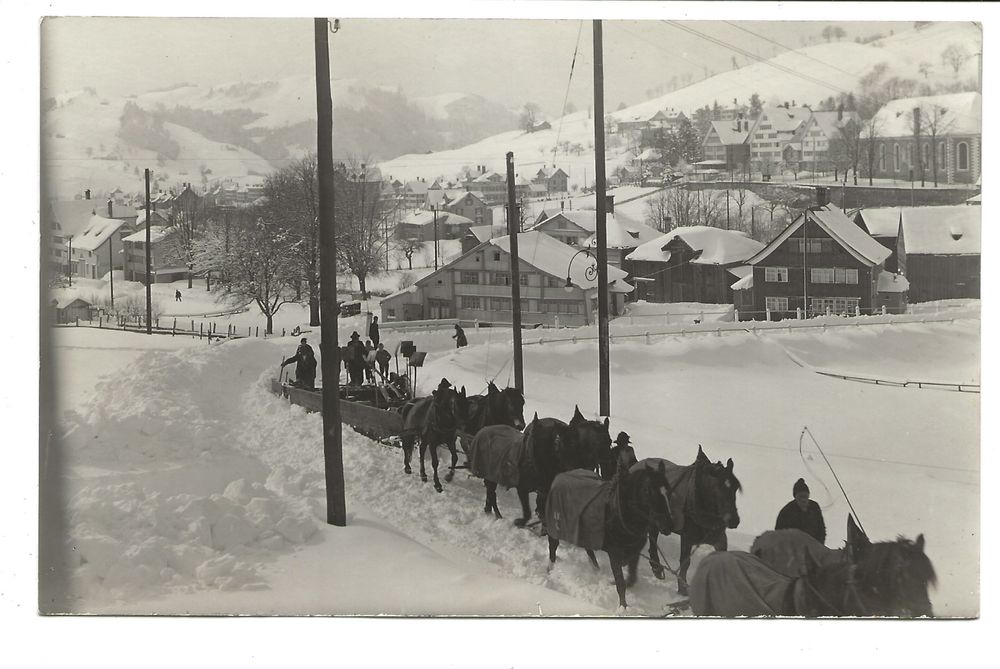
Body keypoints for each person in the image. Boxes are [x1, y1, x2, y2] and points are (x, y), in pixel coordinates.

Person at [775, 478, 826, 545]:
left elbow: (821, 529)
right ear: (795, 497)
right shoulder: (786, 511)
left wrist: (819, 545)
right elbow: (778, 534)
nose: (803, 500)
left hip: (814, 546)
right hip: (793, 547)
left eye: (805, 496)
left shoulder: (814, 507)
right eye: (800, 496)